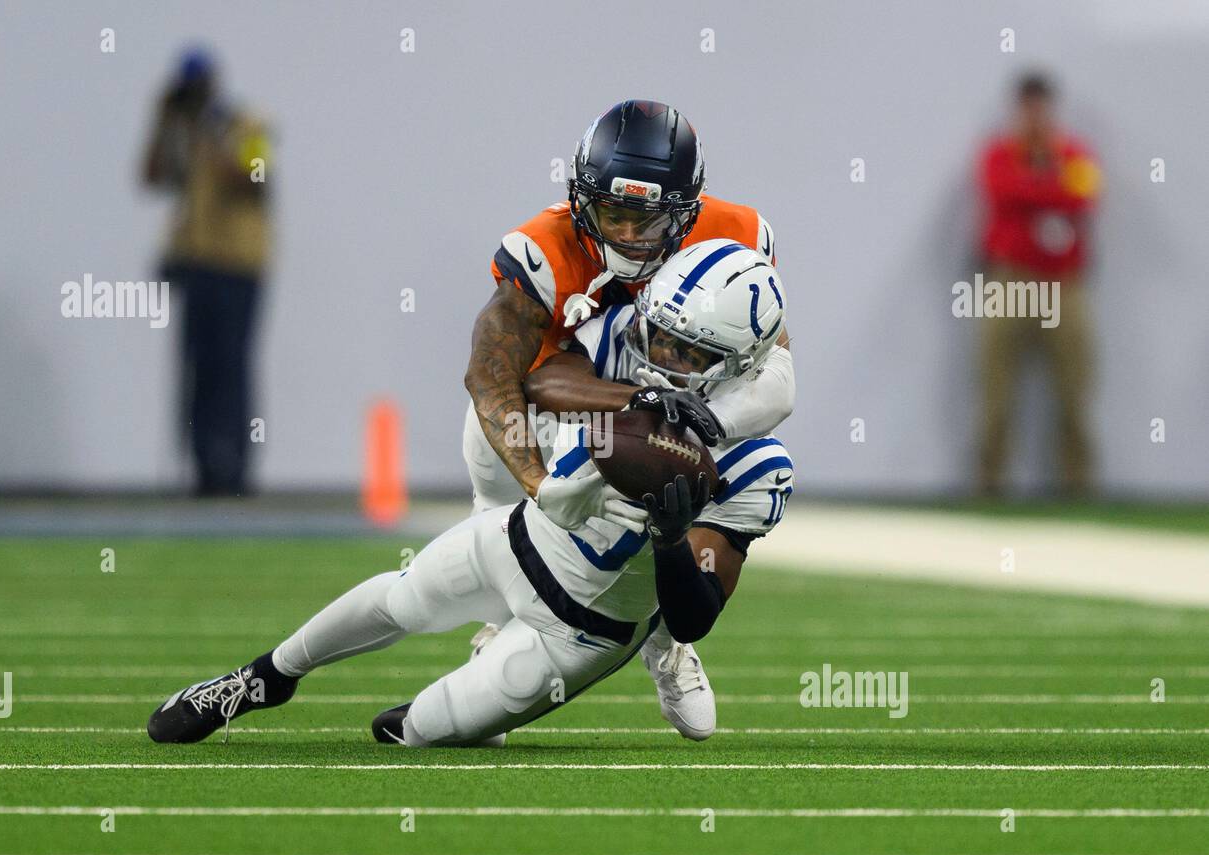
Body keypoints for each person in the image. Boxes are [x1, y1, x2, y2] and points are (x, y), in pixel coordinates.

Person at [146, 240, 793, 748]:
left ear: (739, 362)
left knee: (425, 731)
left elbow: (694, 615)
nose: (660, 355)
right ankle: (259, 680)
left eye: (686, 352)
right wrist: (624, 419)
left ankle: (451, 709)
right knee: (402, 598)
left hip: (582, 630)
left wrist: (672, 539)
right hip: (516, 541)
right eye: (659, 336)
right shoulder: (619, 343)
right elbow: (547, 432)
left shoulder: (757, 466)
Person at [460, 100, 797, 737]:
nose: (626, 235)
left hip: (689, 401)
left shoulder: (738, 234)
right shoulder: (545, 248)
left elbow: (776, 370)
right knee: (488, 427)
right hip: (576, 406)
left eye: (646, 219)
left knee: (734, 465)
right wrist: (540, 489)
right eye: (611, 213)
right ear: (581, 198)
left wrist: (701, 423)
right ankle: (502, 620)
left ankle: (666, 637)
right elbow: (492, 372)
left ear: (688, 213)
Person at [141, 47, 272, 496]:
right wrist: (164, 122)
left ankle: (232, 469)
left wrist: (213, 135)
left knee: (231, 366)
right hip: (196, 267)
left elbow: (256, 178)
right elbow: (153, 176)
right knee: (197, 370)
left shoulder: (246, 125)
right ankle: (202, 469)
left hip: (238, 267)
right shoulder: (185, 134)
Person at [976, 73, 1100, 497]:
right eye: (1027, 107)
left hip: (1064, 284)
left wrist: (1037, 188)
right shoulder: (999, 154)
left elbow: (1084, 196)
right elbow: (1001, 192)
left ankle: (1078, 487)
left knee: (1075, 391)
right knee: (996, 391)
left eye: (1040, 107)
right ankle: (989, 486)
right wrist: (1050, 187)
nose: (1034, 116)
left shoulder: (1074, 153)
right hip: (1010, 279)